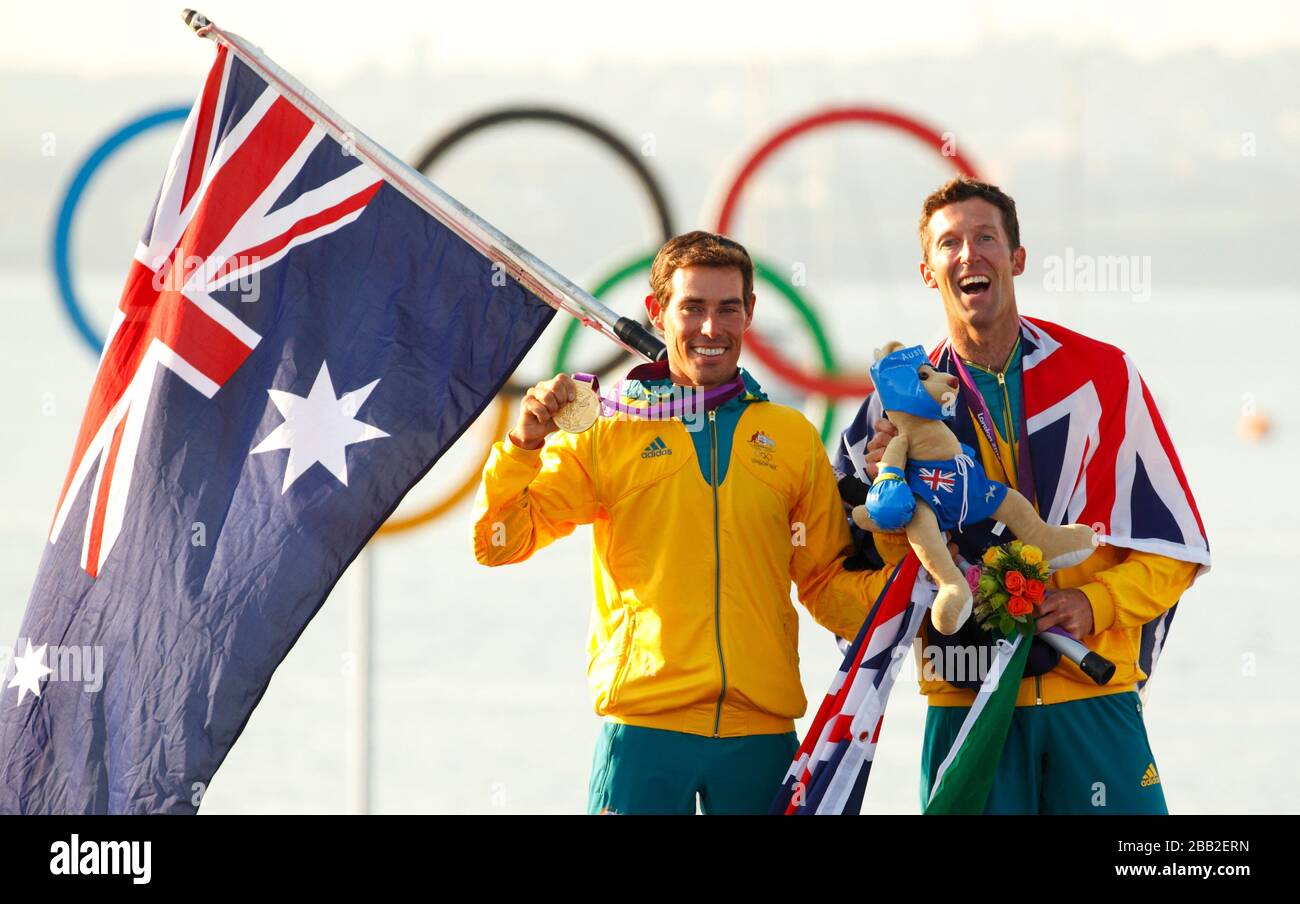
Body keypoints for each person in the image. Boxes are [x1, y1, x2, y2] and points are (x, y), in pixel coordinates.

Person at [473, 231, 901, 815]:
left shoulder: (791, 436)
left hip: (762, 736)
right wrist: (522, 445)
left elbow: (827, 586)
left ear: (750, 312)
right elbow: (501, 542)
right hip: (646, 732)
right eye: (692, 307)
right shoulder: (607, 430)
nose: (710, 327)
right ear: (658, 312)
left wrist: (911, 579)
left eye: (728, 308)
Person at [836, 178, 1210, 814]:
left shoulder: (1101, 375)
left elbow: (1174, 546)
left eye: (986, 237)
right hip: (967, 700)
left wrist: (1093, 603)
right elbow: (848, 578)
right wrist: (888, 512)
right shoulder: (890, 409)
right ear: (928, 272)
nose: (968, 254)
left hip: (1089, 696)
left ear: (1017, 258)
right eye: (949, 243)